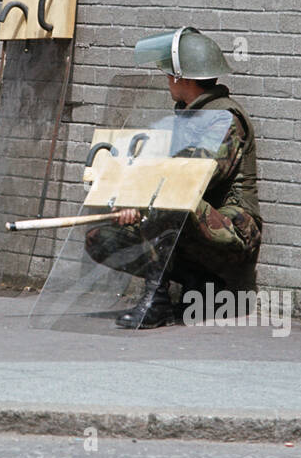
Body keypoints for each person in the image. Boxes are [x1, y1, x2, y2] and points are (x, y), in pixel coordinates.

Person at [84, 27, 261, 329]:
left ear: (183, 78)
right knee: (101, 238)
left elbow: (195, 177)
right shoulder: (183, 115)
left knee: (169, 201)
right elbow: (151, 166)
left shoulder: (224, 118)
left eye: (169, 75)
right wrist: (126, 198)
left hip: (233, 231)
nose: (167, 81)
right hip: (189, 223)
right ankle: (203, 286)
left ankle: (157, 300)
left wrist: (143, 201)